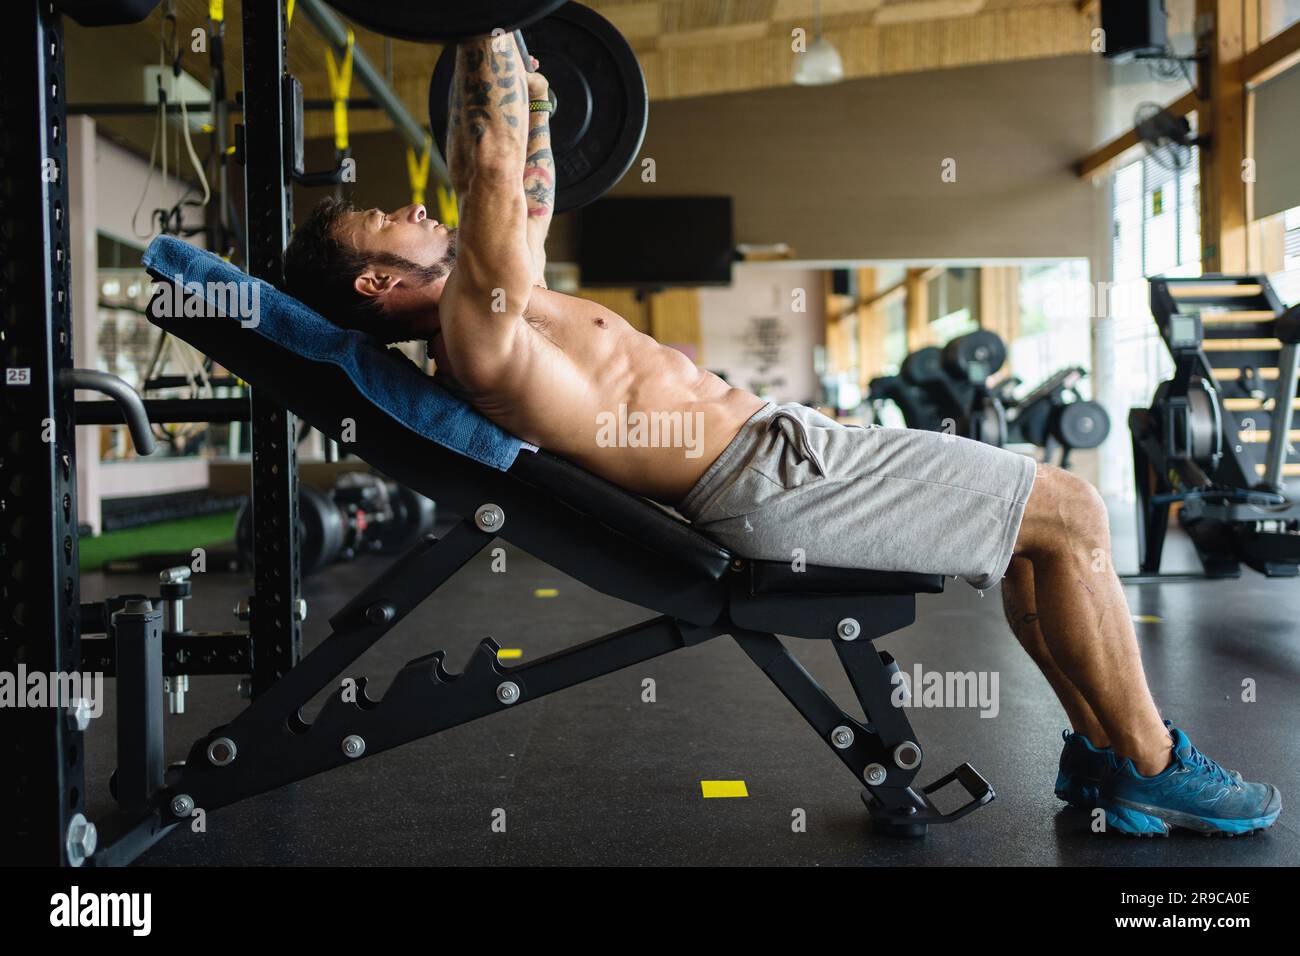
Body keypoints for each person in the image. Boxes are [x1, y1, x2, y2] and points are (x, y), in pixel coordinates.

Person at [284, 36, 1280, 837]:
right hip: (769, 476)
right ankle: (1155, 766)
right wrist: (486, 24)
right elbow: (491, 172)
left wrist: (535, 96)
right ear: (377, 282)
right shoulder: (475, 332)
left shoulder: (493, 304)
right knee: (1068, 505)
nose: (417, 205)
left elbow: (519, 181)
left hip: (777, 452)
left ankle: (1108, 753)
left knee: (1037, 529)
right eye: (388, 216)